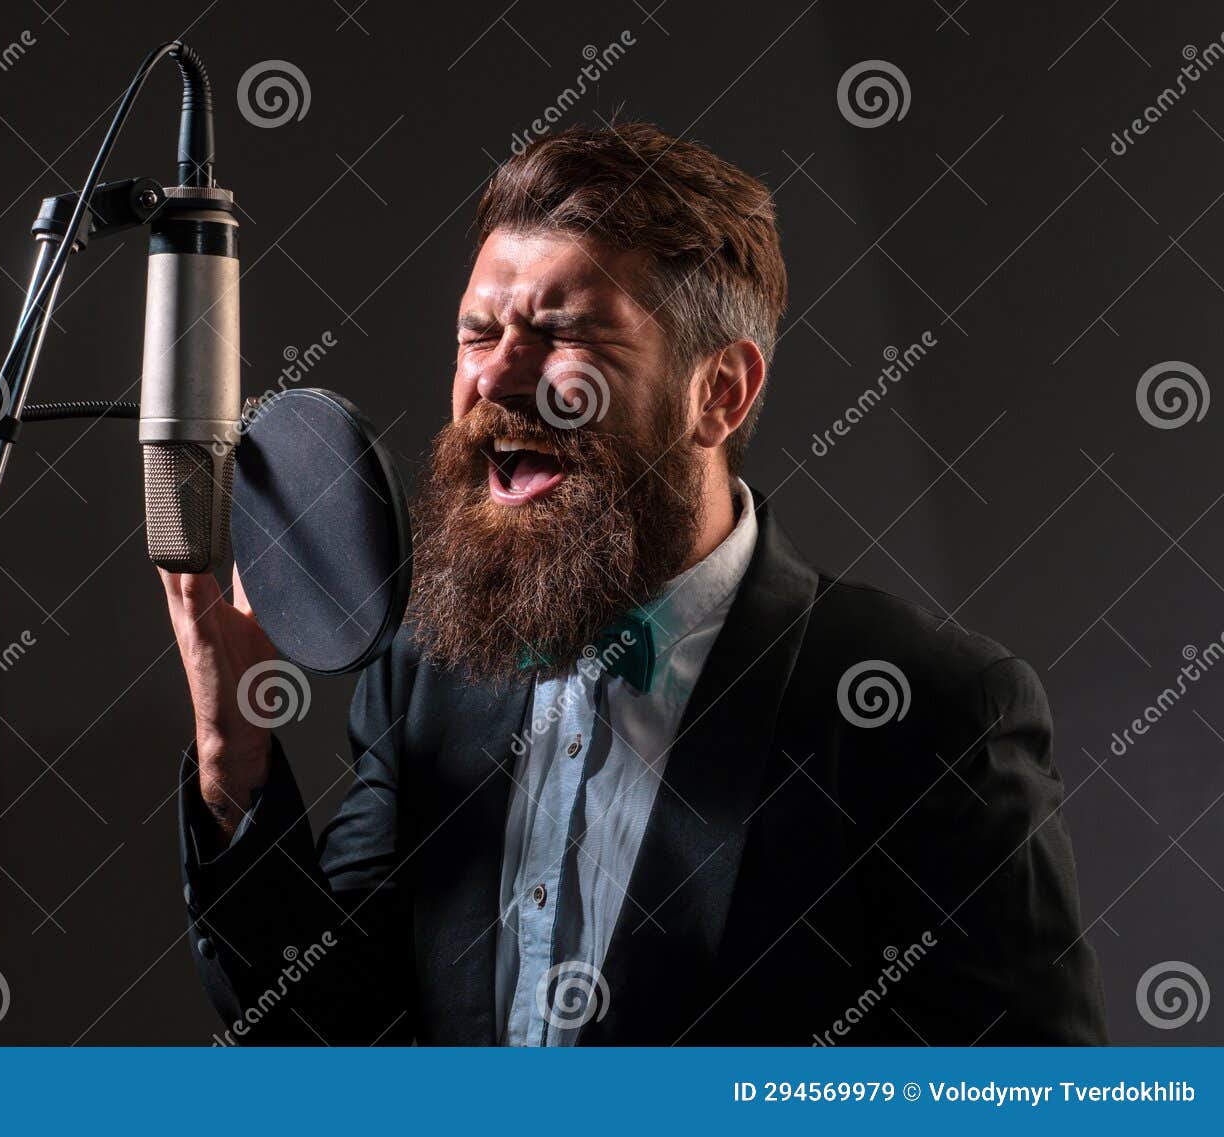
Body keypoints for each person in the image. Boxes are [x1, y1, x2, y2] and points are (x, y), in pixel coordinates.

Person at [158, 123, 1107, 1045]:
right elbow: (327, 1032)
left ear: (719, 392)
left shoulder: (926, 711)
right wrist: (229, 740)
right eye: (477, 334)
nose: (498, 377)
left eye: (564, 334)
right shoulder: (428, 672)